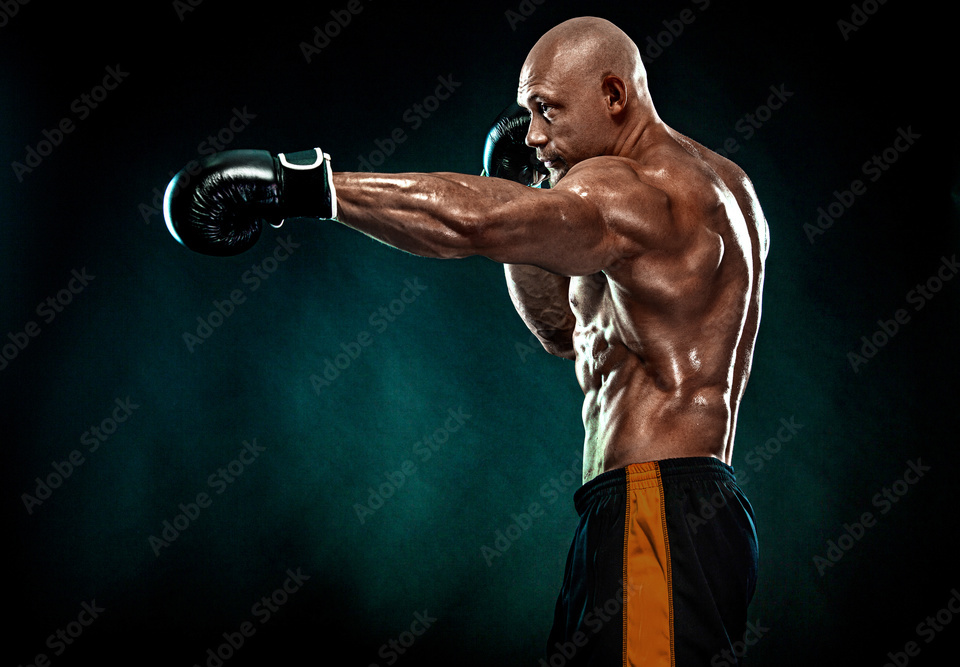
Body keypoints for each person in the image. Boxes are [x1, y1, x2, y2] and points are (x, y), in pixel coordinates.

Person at [164, 15, 768, 665]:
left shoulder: (633, 190)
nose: (533, 134)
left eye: (547, 110)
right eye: (527, 112)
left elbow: (477, 224)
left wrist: (307, 187)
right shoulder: (728, 185)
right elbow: (562, 331)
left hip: (655, 517)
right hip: (680, 509)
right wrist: (533, 202)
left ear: (615, 96)